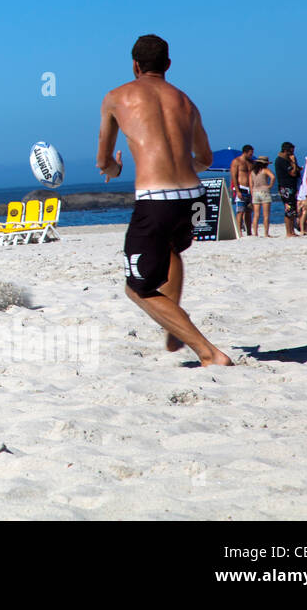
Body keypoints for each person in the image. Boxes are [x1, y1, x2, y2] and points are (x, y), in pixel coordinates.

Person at [96, 35, 231, 367]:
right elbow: (205, 157)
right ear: (168, 65)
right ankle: (176, 330)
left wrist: (115, 168)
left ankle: (208, 352)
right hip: (193, 197)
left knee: (137, 289)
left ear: (134, 65)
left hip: (155, 200)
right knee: (170, 251)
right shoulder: (186, 102)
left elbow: (104, 162)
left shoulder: (116, 98)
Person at [274, 143, 300, 237]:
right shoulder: (281, 161)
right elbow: (292, 173)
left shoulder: (286, 160)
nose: (293, 154)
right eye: (291, 151)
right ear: (286, 151)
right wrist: (293, 162)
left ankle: (292, 231)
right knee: (288, 209)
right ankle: (289, 232)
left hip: (291, 186)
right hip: (286, 187)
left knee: (292, 210)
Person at [228, 145, 254, 237]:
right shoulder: (236, 162)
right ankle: (239, 232)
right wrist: (237, 190)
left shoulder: (251, 162)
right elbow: (234, 176)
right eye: (250, 154)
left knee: (248, 212)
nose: (251, 155)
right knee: (240, 211)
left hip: (249, 189)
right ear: (245, 152)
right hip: (241, 188)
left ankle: (249, 231)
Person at [250, 156, 274, 237]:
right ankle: (266, 233)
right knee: (266, 215)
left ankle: (255, 233)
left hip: (255, 192)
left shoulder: (252, 171)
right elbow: (273, 177)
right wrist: (270, 185)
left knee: (256, 215)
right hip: (264, 191)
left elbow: (251, 184)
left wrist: (252, 192)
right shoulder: (265, 170)